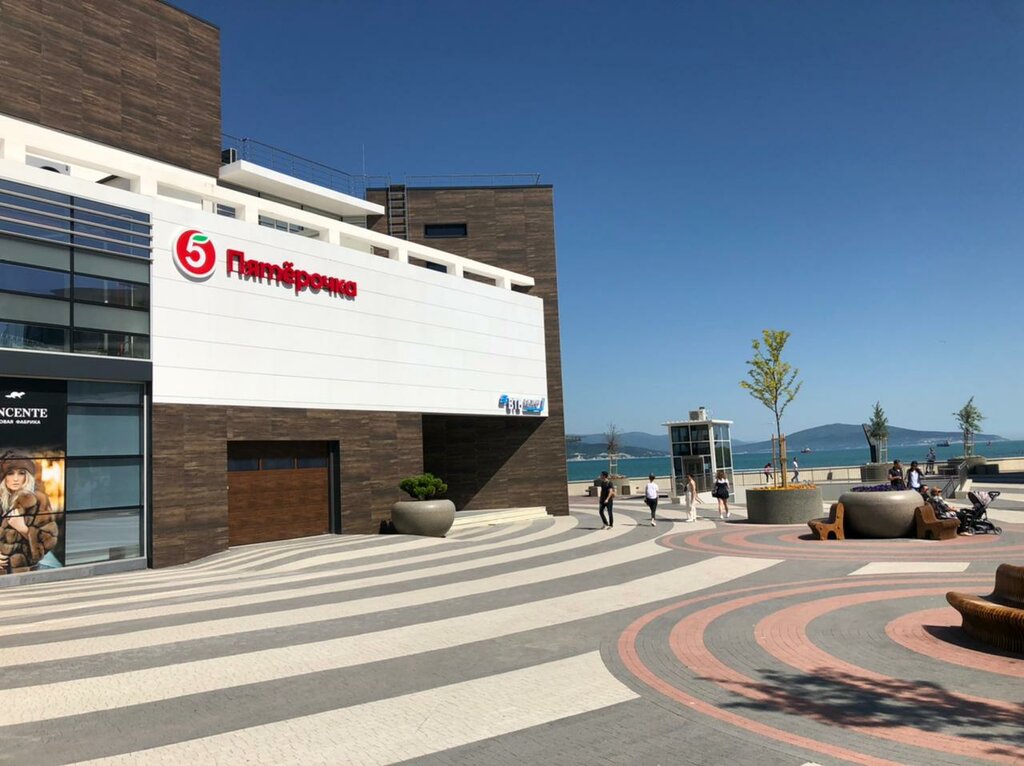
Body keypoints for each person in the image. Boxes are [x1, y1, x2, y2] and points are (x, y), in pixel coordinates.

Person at [0, 453, 59, 574]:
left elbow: (47, 543)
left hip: (23, 573)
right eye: (10, 473)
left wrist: (23, 529)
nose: (15, 479)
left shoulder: (37, 501)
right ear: (4, 477)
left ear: (27, 477)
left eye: (21, 473)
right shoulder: (2, 502)